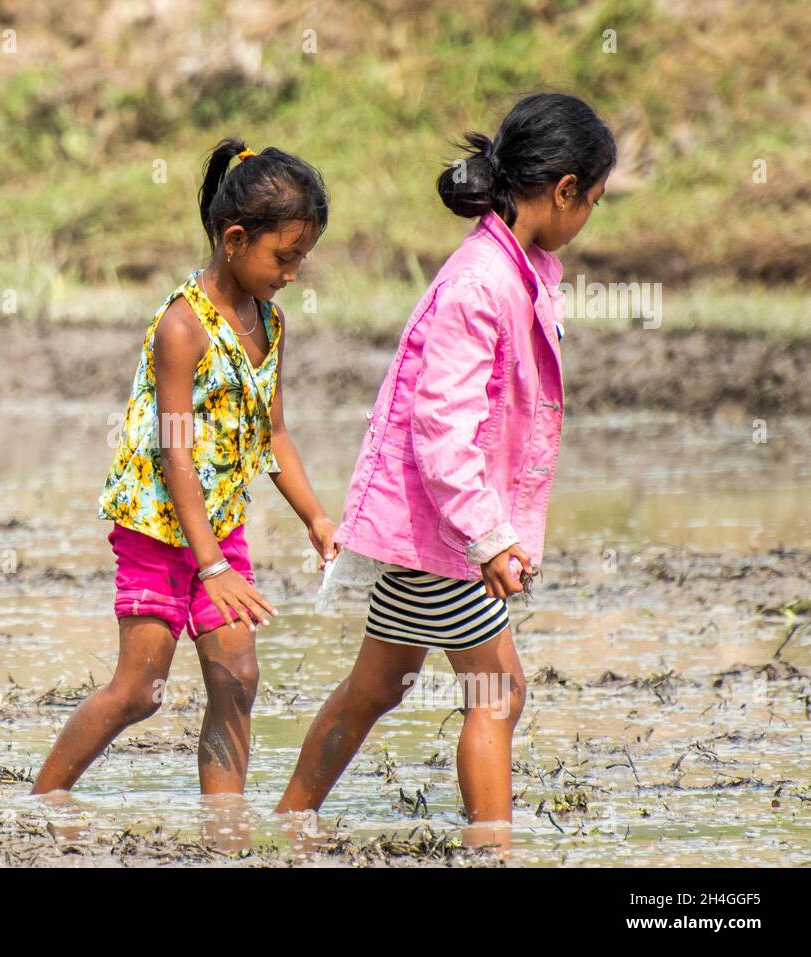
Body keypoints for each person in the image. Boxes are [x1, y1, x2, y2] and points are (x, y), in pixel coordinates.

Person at [277, 93, 617, 845]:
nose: (590, 216)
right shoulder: (480, 284)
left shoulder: (515, 268)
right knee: (499, 691)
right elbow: (440, 432)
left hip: (432, 528)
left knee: (375, 687)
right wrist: (490, 538)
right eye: (591, 200)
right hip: (446, 533)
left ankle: (287, 824)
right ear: (563, 191)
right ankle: (490, 844)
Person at [32, 139, 337, 795]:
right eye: (284, 256)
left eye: (300, 260)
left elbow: (273, 431)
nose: (291, 272)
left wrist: (315, 516)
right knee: (139, 691)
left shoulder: (270, 324)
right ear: (234, 238)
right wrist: (213, 566)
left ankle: (222, 832)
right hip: (157, 530)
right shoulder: (182, 326)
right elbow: (175, 450)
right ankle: (42, 798)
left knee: (237, 678)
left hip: (217, 526)